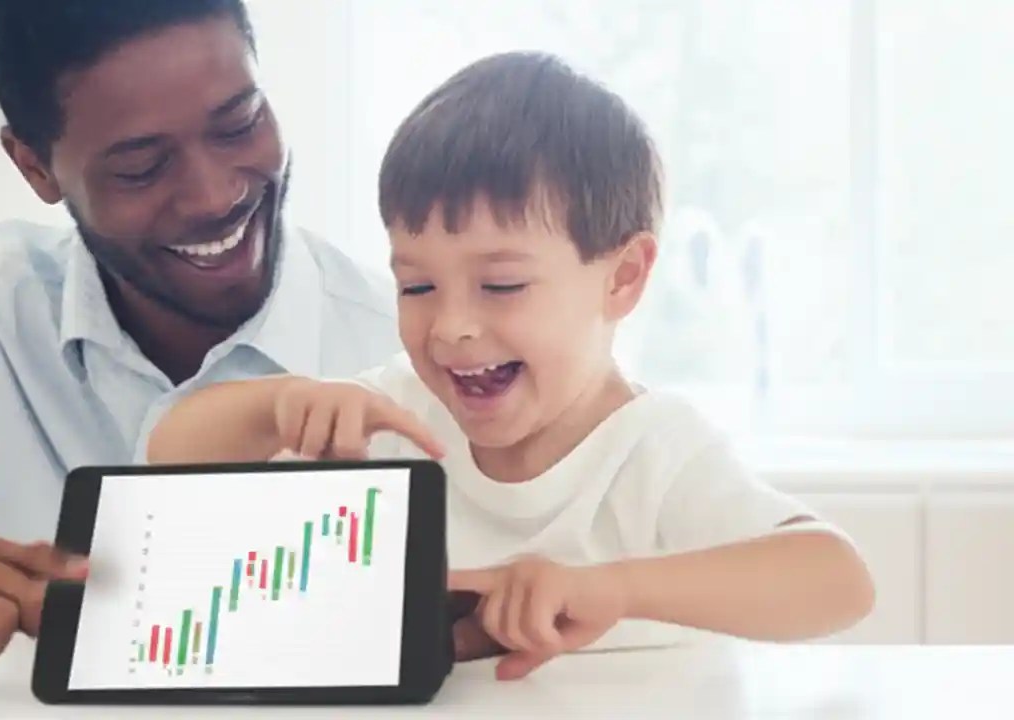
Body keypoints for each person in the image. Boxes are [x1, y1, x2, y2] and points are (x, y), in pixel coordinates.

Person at [146, 52, 877, 680]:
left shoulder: (654, 450)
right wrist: (275, 407)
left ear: (621, 278)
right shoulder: (399, 416)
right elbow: (169, 455)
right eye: (417, 287)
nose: (453, 328)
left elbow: (838, 581)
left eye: (502, 286)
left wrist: (613, 590)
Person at [0, 0, 401, 679]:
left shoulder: (405, 342)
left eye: (239, 123)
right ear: (35, 167)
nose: (210, 194)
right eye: (141, 167)